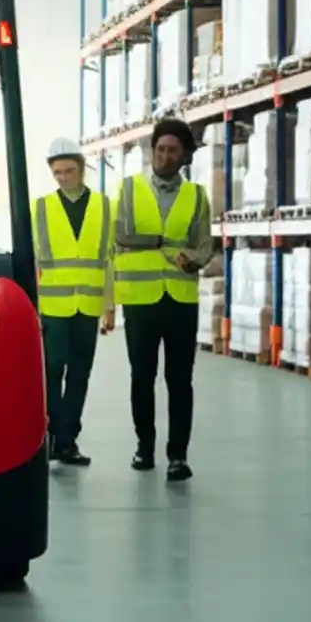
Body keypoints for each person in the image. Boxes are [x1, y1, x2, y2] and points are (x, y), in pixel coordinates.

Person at [112, 118, 212, 482]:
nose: (165, 156)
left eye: (172, 150)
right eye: (160, 149)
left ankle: (178, 456)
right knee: (142, 377)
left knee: (179, 380)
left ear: (184, 155)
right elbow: (122, 234)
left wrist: (194, 260)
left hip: (181, 299)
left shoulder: (197, 196)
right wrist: (159, 243)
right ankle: (144, 447)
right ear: (151, 151)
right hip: (140, 299)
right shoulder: (129, 189)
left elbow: (205, 244)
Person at [30, 137, 114, 467]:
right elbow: (31, 261)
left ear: (82, 170)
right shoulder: (40, 208)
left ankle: (68, 441)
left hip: (89, 307)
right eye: (58, 173)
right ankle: (51, 437)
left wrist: (110, 307)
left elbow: (109, 260)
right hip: (52, 307)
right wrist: (31, 309)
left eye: (69, 171)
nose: (63, 178)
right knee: (52, 371)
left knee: (80, 373)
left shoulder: (104, 206)